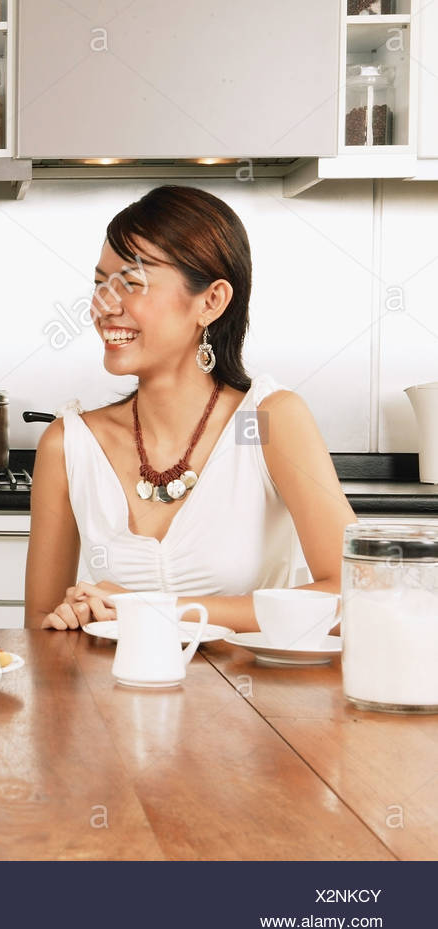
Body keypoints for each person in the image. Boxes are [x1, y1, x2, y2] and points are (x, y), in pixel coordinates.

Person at [24, 185, 356, 632]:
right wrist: (67, 617)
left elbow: (353, 595)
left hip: (253, 701)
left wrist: (155, 610)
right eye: (100, 283)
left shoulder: (268, 422)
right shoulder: (68, 444)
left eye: (132, 284)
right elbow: (39, 627)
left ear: (211, 301)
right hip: (112, 698)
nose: (103, 305)